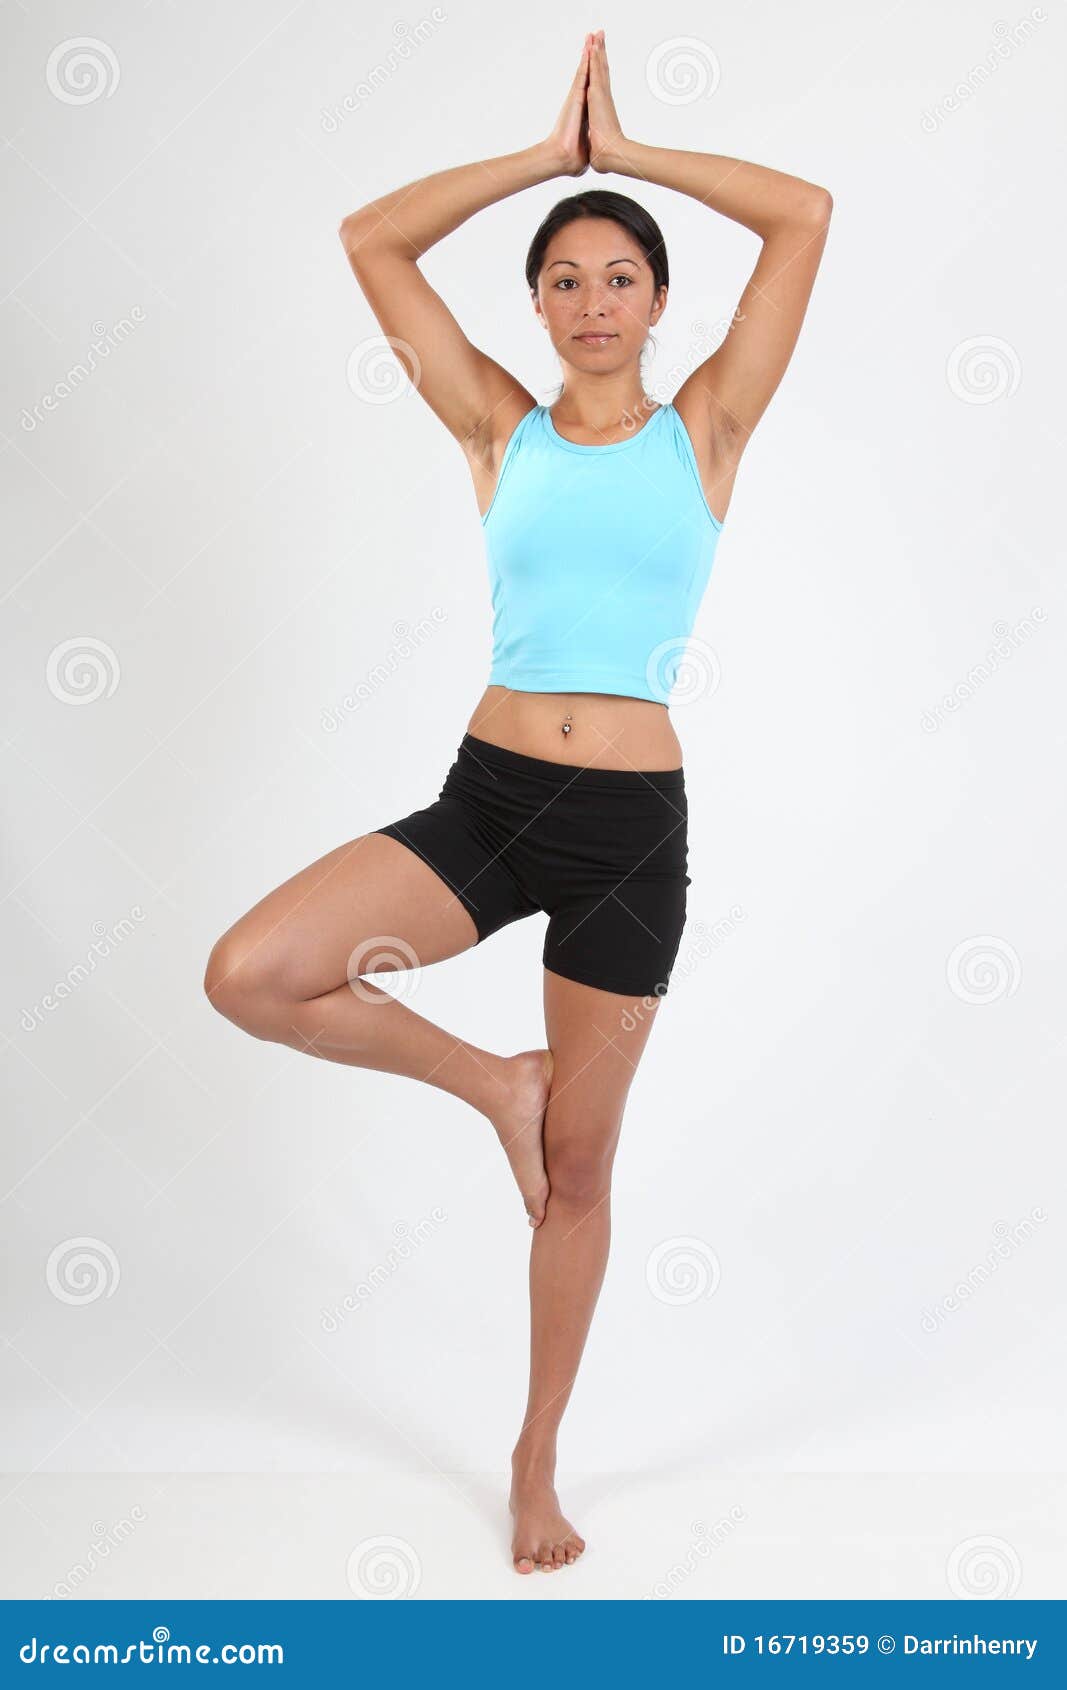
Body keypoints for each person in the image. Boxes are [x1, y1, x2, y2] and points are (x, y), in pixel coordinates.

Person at [204, 29, 832, 1575]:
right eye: (565, 279)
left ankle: (534, 1458)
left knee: (584, 1170)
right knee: (255, 971)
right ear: (535, 305)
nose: (594, 300)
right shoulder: (498, 426)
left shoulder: (708, 429)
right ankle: (495, 1082)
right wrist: (549, 162)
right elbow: (372, 239)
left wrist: (634, 153)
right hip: (488, 806)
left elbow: (805, 214)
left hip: (629, 842)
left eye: (621, 277)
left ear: (661, 301)